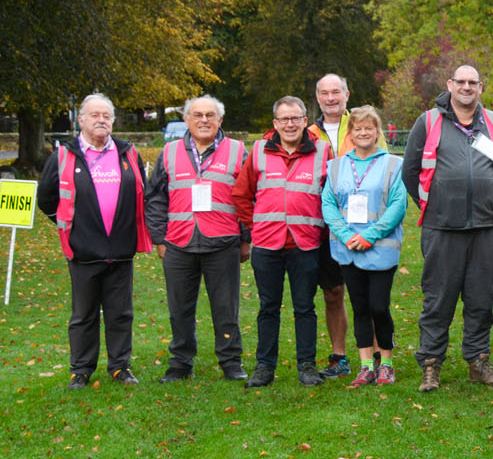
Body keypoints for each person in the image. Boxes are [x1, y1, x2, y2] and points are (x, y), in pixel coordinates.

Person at [401, 64, 493, 390]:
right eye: (460, 82)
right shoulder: (428, 121)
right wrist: (432, 204)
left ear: (480, 87)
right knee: (438, 300)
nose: (466, 87)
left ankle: (478, 362)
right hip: (441, 228)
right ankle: (431, 365)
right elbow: (410, 170)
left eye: (472, 82)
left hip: (485, 227)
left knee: (481, 300)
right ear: (449, 85)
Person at [37, 93, 152, 389]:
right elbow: (46, 198)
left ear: (112, 121)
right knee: (84, 315)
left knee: (121, 314)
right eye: (94, 115)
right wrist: (72, 227)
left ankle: (120, 366)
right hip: (83, 251)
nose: (101, 120)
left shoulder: (128, 153)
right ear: (81, 120)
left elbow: (144, 193)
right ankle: (81, 370)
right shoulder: (64, 156)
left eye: (106, 116)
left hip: (121, 249)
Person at [145, 95, 249, 382]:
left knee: (226, 308)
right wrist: (160, 239)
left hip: (223, 242)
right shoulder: (169, 152)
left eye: (210, 115)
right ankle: (180, 363)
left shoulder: (237, 151)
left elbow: (248, 198)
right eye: (198, 115)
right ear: (187, 120)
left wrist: (245, 238)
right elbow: (155, 198)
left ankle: (231, 362)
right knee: (179, 309)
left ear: (220, 120)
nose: (204, 120)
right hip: (178, 243)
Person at [232, 96, 331, 388]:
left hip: (306, 244)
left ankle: (307, 365)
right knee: (268, 307)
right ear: (275, 123)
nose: (290, 124)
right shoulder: (259, 151)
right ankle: (264, 367)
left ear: (305, 121)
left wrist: (322, 230)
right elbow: (241, 194)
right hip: (267, 245)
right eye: (284, 119)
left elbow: (333, 196)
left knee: (305, 307)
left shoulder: (323, 151)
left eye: (295, 118)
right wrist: (256, 226)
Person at [322, 106, 407, 387]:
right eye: (357, 128)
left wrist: (370, 235)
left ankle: (387, 364)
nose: (363, 133)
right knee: (359, 308)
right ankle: (366, 365)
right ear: (350, 134)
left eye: (368, 128)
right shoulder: (336, 166)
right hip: (348, 248)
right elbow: (328, 204)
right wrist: (345, 234)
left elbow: (398, 205)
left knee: (379, 307)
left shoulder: (393, 164)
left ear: (377, 132)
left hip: (380, 248)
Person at [309, 74, 385, 379]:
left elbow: (383, 167)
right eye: (324, 93)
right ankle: (339, 357)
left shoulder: (362, 124)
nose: (330, 98)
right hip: (327, 225)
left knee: (370, 293)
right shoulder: (308, 132)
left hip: (366, 225)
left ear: (346, 94)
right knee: (333, 292)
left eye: (336, 92)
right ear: (318, 97)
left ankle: (378, 355)